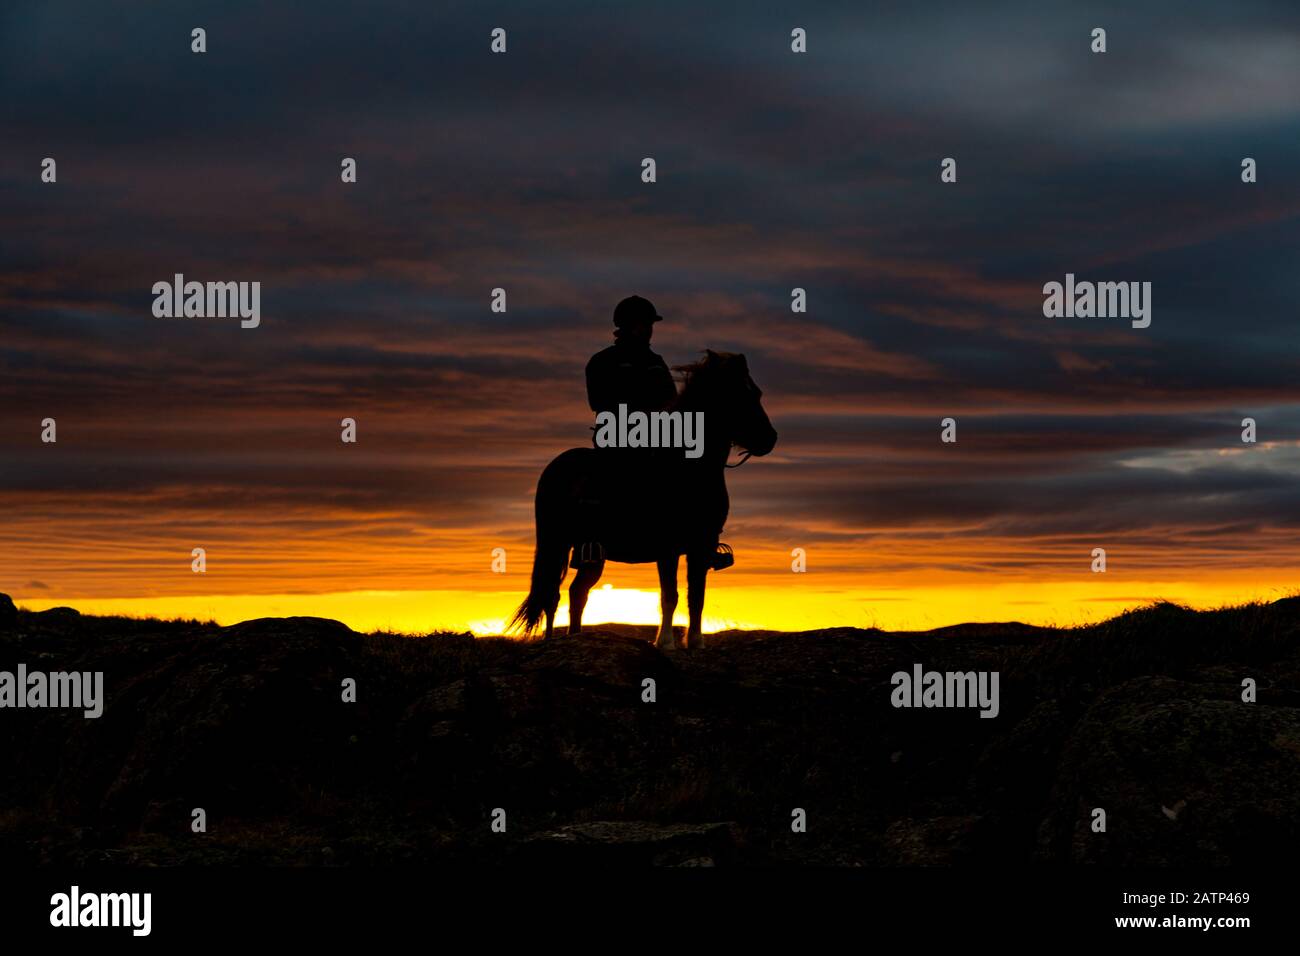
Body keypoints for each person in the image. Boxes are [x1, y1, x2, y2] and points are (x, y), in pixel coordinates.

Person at [576, 295, 734, 571]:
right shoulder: (603, 361)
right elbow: (598, 402)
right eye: (642, 323)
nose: (648, 329)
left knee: (691, 466)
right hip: (617, 432)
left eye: (649, 324)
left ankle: (704, 541)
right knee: (606, 473)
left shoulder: (656, 361)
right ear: (626, 326)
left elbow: (670, 401)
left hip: (655, 433)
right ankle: (590, 541)